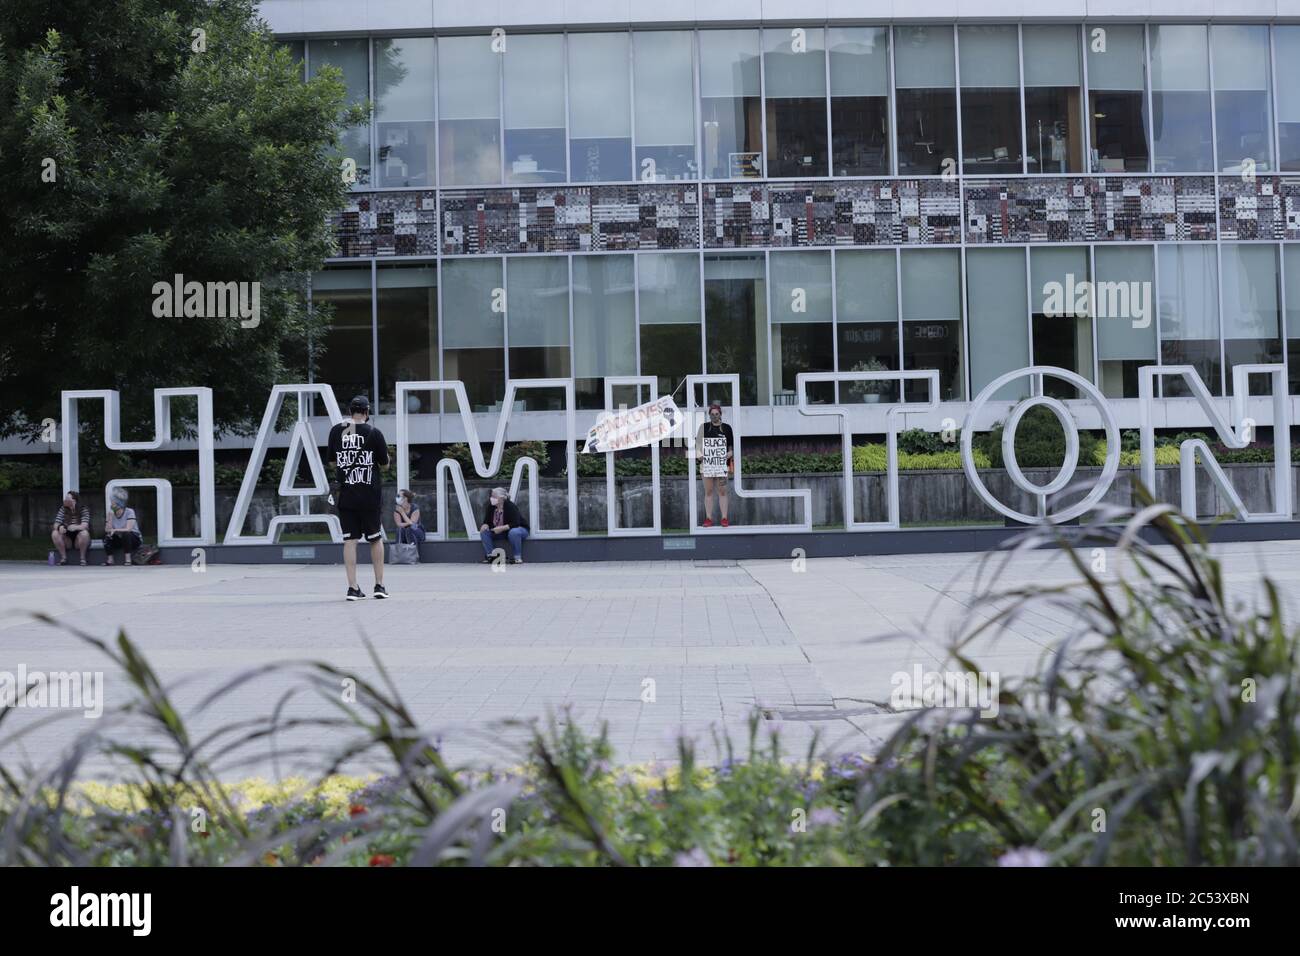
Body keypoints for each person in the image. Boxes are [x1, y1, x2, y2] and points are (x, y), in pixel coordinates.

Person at [327, 395, 391, 601]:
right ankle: (379, 585)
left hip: (346, 493)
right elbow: (384, 464)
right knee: (375, 539)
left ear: (350, 411)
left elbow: (332, 463)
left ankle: (352, 587)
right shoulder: (373, 432)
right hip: (369, 494)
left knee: (350, 540)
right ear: (367, 412)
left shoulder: (337, 431)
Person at [695, 402, 734, 528]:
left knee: (722, 491)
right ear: (709, 415)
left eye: (717, 414)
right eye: (712, 414)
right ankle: (708, 518)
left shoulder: (727, 428)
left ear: (720, 414)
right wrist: (699, 455)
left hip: (721, 466)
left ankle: (724, 518)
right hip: (707, 465)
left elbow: (731, 448)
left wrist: (729, 454)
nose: (714, 416)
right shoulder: (703, 427)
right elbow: (698, 446)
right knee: (708, 491)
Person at [478, 487, 528, 564]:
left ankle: (517, 558)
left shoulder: (510, 506)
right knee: (484, 532)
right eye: (491, 496)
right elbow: (487, 521)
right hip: (501, 532)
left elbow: (516, 523)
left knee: (514, 532)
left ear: (501, 498)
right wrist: (485, 525)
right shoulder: (491, 507)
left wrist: (502, 528)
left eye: (494, 497)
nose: (491, 498)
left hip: (518, 529)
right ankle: (491, 556)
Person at [52, 491, 91, 565]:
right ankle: (63, 558)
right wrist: (60, 527)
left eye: (68, 498)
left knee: (84, 533)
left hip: (79, 537)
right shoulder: (63, 509)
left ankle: (82, 558)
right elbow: (56, 523)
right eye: (66, 498)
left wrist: (75, 527)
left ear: (74, 500)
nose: (65, 500)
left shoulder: (83, 509)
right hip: (67, 537)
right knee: (55, 533)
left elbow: (85, 525)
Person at [103, 495, 142, 565]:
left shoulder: (129, 511)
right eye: (111, 502)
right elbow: (107, 529)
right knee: (107, 536)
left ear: (120, 504)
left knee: (126, 533)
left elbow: (128, 529)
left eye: (114, 503)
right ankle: (110, 560)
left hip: (133, 539)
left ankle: (128, 560)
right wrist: (110, 517)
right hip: (120, 539)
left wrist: (115, 530)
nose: (112, 504)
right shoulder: (110, 513)